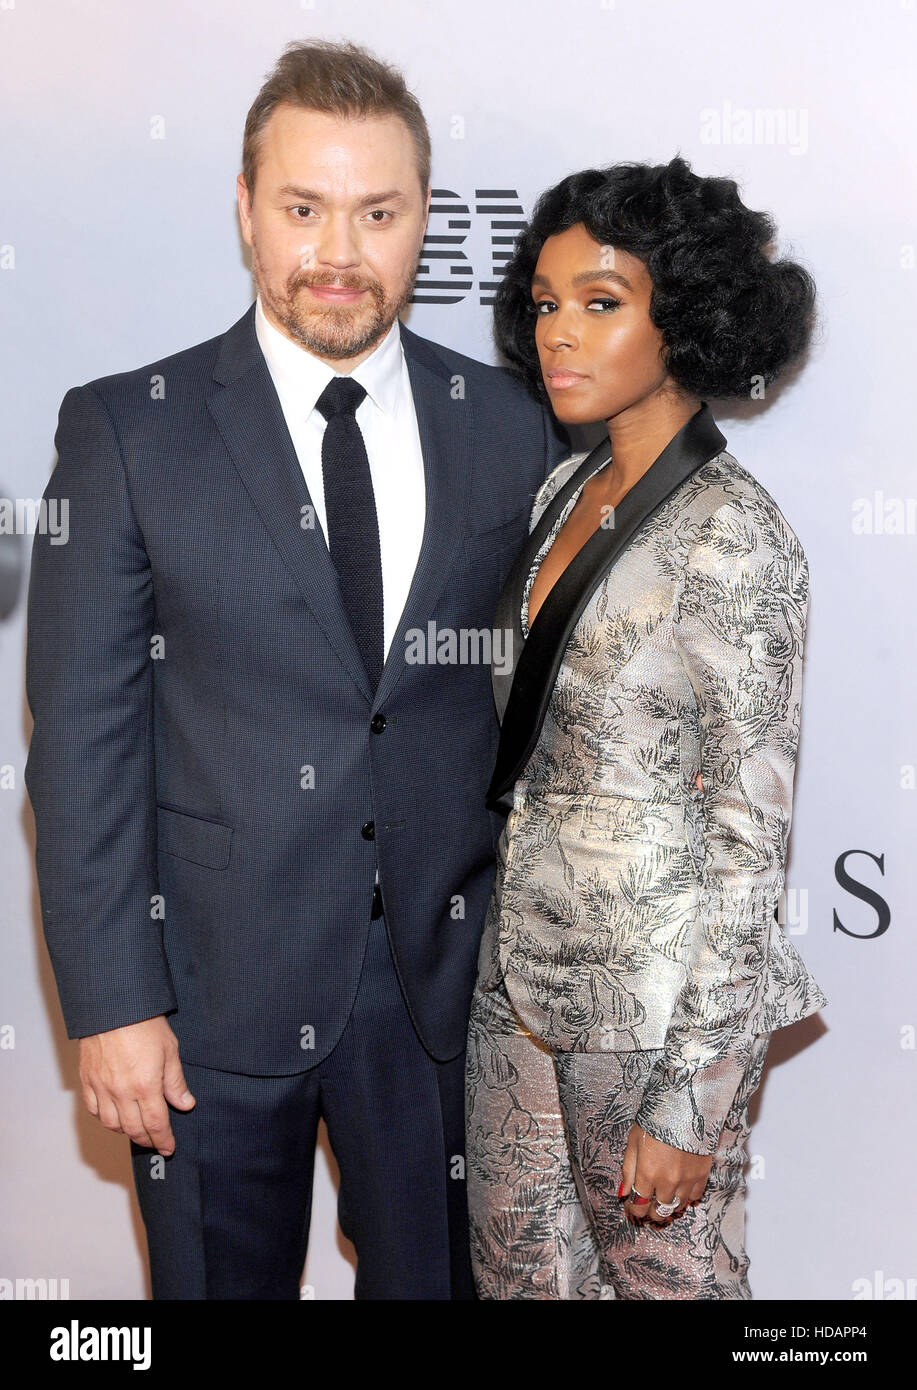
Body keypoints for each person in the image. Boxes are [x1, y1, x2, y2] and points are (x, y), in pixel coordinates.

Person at [23, 39, 569, 1300]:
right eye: (303, 207)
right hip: (206, 1000)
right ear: (244, 208)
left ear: (423, 217)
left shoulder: (506, 425)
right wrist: (111, 1004)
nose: (338, 250)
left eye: (376, 212)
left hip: (437, 1011)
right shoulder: (128, 430)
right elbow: (84, 748)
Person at [465, 155, 828, 1299]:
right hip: (514, 988)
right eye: (544, 303)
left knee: (670, 1289)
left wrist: (692, 1098)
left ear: (684, 317)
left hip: (655, 1014)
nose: (557, 334)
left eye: (600, 303)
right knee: (518, 1282)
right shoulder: (557, 495)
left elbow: (746, 841)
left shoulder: (735, 540)